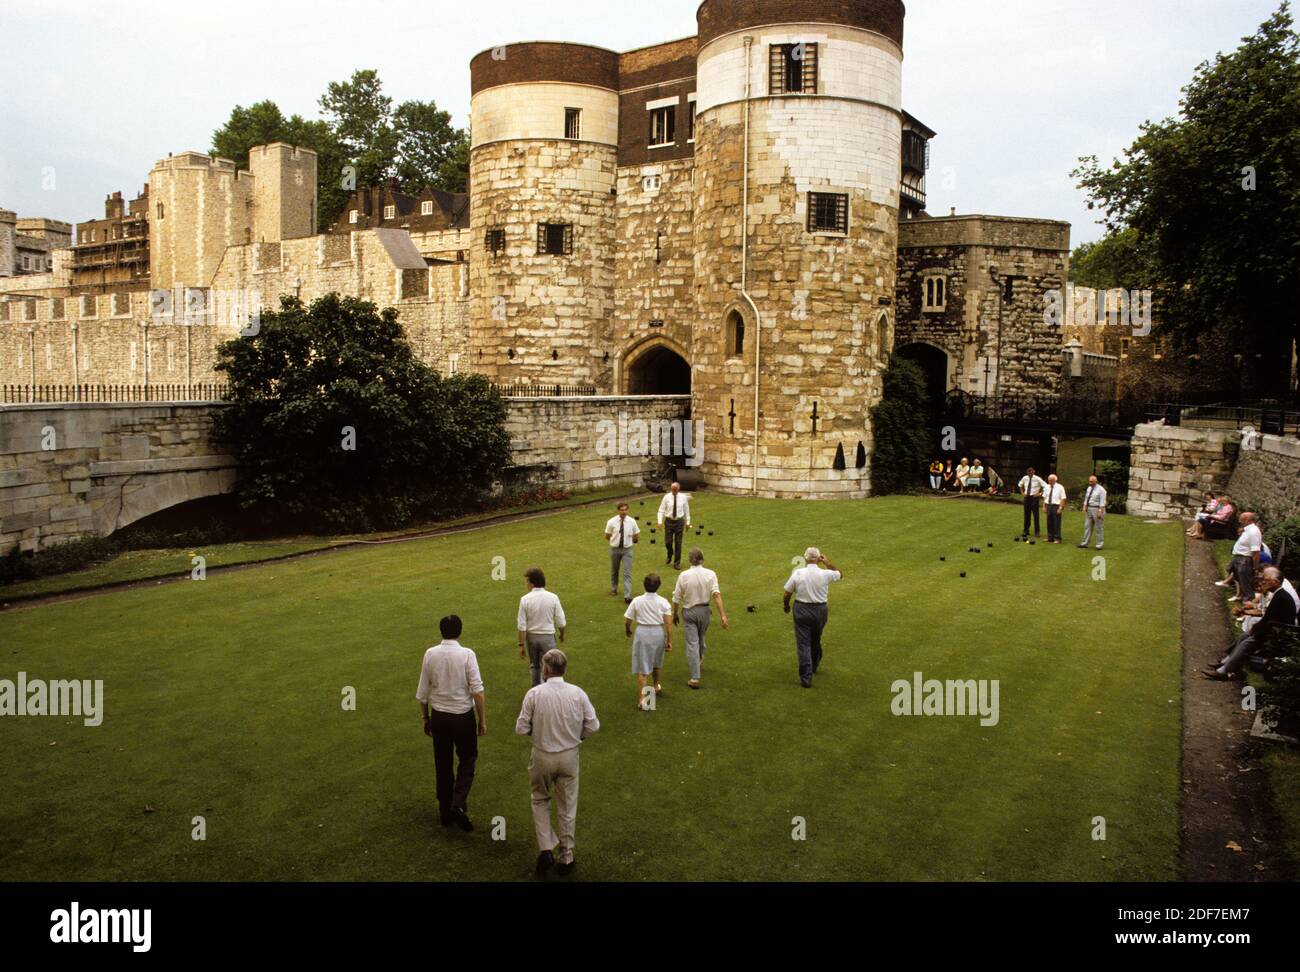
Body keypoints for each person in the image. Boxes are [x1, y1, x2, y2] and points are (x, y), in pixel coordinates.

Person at [515, 648, 600, 876]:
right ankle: (566, 856)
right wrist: (576, 737)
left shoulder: (534, 694)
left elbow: (521, 727)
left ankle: (546, 848)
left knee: (540, 800)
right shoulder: (577, 693)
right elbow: (593, 725)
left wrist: (539, 733)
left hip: (542, 754)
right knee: (567, 806)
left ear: (545, 669)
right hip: (569, 756)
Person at [416, 615, 486, 833]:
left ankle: (445, 812)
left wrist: (425, 717)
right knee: (467, 758)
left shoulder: (430, 654)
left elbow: (423, 692)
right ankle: (458, 803)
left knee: (442, 762)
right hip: (462, 715)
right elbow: (477, 691)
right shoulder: (467, 655)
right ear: (460, 631)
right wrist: (481, 720)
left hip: (439, 715)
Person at [1203, 567, 1297, 680]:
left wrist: (1256, 629)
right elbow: (1268, 618)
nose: (1263, 582)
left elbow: (1268, 619)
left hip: (1278, 633)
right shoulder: (1278, 595)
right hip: (1275, 629)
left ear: (1275, 582)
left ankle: (1223, 671)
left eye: (1265, 579)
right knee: (1245, 636)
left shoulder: (1280, 597)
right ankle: (1226, 663)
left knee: (1247, 643)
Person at [783, 548, 843, 688]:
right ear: (818, 558)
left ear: (805, 558)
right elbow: (840, 574)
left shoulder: (798, 573)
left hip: (802, 610)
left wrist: (786, 606)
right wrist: (828, 563)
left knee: (803, 643)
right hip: (820, 610)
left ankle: (806, 677)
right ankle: (814, 664)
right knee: (816, 638)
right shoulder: (825, 573)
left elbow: (787, 593)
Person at [671, 547, 730, 690]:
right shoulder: (711, 574)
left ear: (690, 560)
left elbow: (676, 597)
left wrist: (674, 613)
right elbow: (716, 595)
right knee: (701, 638)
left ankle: (695, 677)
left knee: (692, 643)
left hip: (689, 612)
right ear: (702, 559)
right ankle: (699, 660)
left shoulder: (684, 575)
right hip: (705, 611)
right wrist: (723, 615)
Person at [625, 573, 673, 709]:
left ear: (644, 585)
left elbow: (628, 619)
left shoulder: (637, 600)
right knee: (657, 663)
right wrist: (669, 640)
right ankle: (655, 686)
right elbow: (669, 624)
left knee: (643, 667)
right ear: (659, 586)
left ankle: (644, 701)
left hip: (642, 633)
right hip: (658, 633)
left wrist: (627, 629)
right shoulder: (663, 601)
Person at [517, 567, 567, 687]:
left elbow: (521, 626)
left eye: (527, 581)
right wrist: (561, 634)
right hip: (548, 638)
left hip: (532, 638)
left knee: (535, 665)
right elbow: (561, 621)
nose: (526, 584)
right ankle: (550, 689)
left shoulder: (525, 600)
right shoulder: (553, 597)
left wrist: (521, 645)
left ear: (532, 583)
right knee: (551, 666)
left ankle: (535, 690)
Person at [604, 502, 641, 603]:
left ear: (628, 510)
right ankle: (614, 589)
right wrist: (615, 541)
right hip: (615, 549)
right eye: (622, 510)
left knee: (627, 573)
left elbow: (636, 533)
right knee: (614, 570)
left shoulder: (632, 521)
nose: (624, 512)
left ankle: (627, 596)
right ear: (618, 510)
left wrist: (633, 540)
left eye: (625, 510)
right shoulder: (611, 522)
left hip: (627, 550)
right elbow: (607, 535)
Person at [1227, 513, 1263, 603]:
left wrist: (1255, 567)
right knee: (1235, 576)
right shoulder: (1247, 530)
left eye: (1241, 519)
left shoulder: (1253, 532)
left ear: (1248, 520)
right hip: (1239, 558)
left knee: (1246, 584)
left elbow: (1255, 552)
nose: (1239, 521)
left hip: (1245, 560)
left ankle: (1247, 605)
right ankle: (1240, 596)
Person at [657, 482, 691, 571]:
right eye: (672, 489)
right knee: (668, 542)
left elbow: (687, 510)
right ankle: (670, 554)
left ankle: (677, 563)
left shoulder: (683, 497)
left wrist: (688, 522)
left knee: (678, 543)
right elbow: (661, 510)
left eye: (675, 490)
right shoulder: (666, 497)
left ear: (678, 489)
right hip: (668, 522)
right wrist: (659, 521)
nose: (673, 491)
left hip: (679, 522)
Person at [1078, 475, 1108, 550]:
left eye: (1091, 481)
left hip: (1097, 508)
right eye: (1089, 481)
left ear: (1096, 481)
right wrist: (1085, 506)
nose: (1090, 483)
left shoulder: (1101, 490)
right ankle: (1085, 543)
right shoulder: (1089, 488)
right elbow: (1087, 498)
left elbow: (1102, 501)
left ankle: (1099, 544)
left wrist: (1100, 511)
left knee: (1099, 527)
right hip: (1089, 508)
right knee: (1087, 526)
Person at [1018, 467, 1047, 538]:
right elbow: (1020, 485)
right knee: (1026, 515)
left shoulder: (1037, 478)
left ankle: (1037, 532)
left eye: (1031, 473)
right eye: (1028, 473)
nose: (1030, 474)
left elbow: (1046, 486)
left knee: (1035, 515)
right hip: (1027, 497)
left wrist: (1040, 494)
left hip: (1034, 498)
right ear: (1027, 473)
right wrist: (1022, 492)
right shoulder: (1025, 478)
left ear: (1034, 472)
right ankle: (1026, 530)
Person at [1043, 474, 1067, 544]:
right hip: (1048, 505)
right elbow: (1045, 497)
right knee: (1049, 522)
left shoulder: (1060, 487)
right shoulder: (1047, 487)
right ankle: (1050, 537)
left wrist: (1060, 508)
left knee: (1056, 522)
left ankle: (1057, 538)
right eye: (1049, 480)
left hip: (1056, 506)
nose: (1049, 481)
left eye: (1051, 480)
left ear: (1055, 480)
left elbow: (1063, 498)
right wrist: (1044, 506)